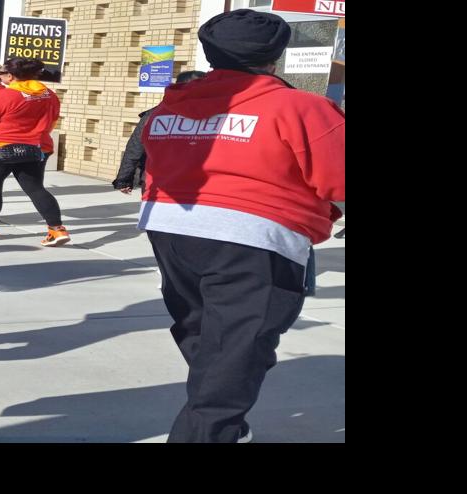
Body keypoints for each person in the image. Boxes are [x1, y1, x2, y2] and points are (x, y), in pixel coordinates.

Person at [138, 9, 345, 442]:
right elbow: (337, 177)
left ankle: (214, 411)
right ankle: (210, 430)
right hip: (253, 234)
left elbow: (157, 161)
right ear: (276, 56)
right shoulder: (301, 107)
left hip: (173, 229)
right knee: (239, 344)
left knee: (203, 331)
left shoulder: (169, 106)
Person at [0, 58, 69, 246]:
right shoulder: (49, 95)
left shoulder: (7, 95)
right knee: (35, 188)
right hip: (36, 147)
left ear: (10, 76)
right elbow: (52, 123)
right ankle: (57, 230)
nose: (0, 76)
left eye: (2, 73)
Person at [113, 70, 206, 195]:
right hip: (194, 185)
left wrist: (124, 180)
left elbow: (134, 149)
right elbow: (135, 148)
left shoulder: (155, 114)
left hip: (156, 183)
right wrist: (124, 180)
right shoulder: (214, 116)